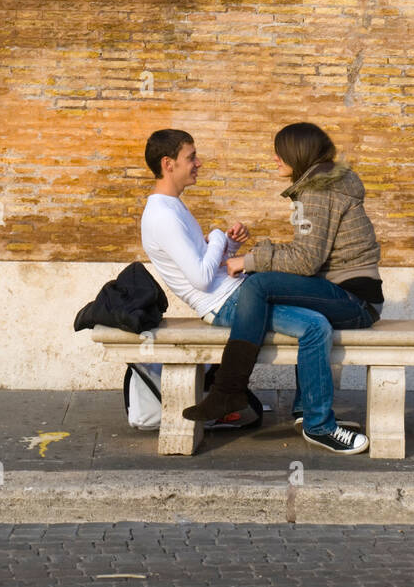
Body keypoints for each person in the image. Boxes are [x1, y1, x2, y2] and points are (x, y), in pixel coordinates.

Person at [141, 127, 371, 454]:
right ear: (168, 164)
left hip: (236, 291)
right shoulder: (161, 215)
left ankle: (306, 411)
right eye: (190, 158)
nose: (198, 163)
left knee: (313, 310)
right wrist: (219, 235)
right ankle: (319, 425)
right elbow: (202, 279)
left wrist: (229, 245)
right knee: (315, 326)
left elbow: (205, 264)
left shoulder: (173, 206)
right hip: (223, 304)